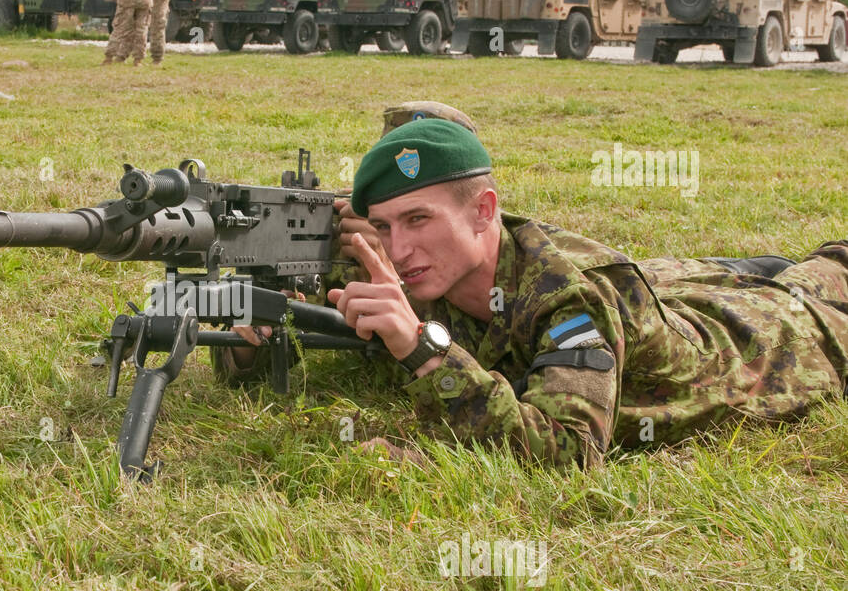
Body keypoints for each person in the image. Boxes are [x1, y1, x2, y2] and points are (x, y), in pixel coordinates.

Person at [232, 115, 848, 469]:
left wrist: (423, 350)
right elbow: (302, 323)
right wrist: (252, 331)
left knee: (808, 288)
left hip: (764, 343)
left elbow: (570, 454)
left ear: (483, 213)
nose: (398, 251)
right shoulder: (419, 265)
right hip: (668, 290)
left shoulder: (569, 301)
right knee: (700, 275)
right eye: (386, 226)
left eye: (419, 220)